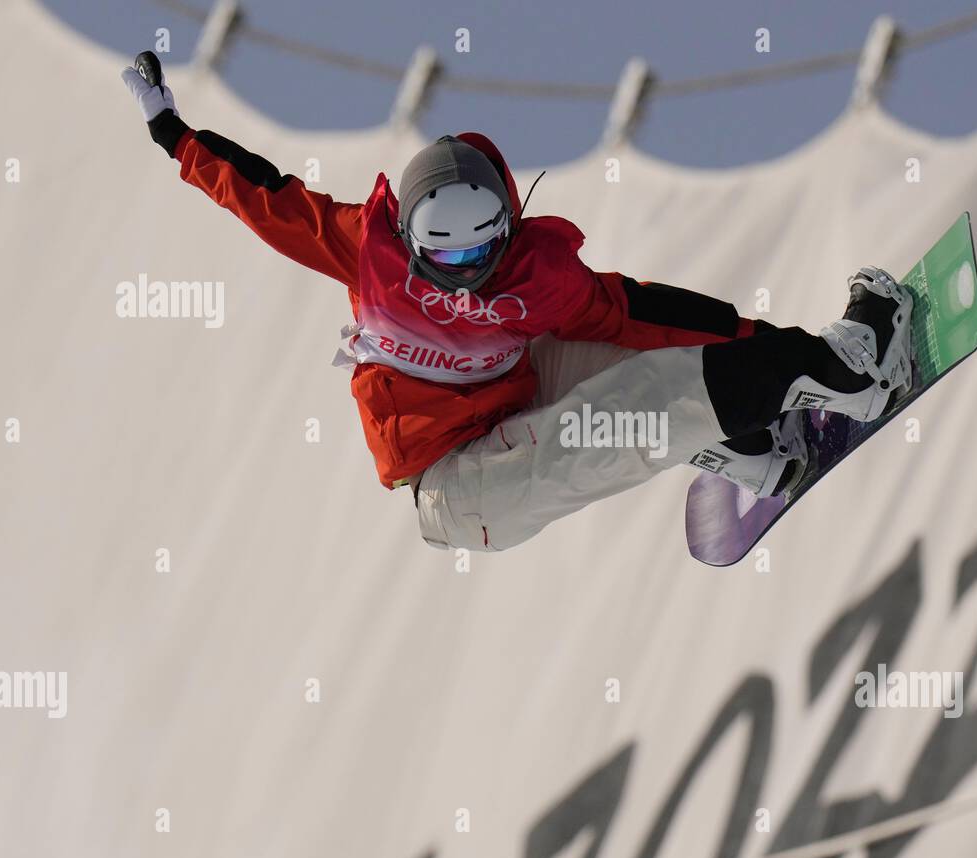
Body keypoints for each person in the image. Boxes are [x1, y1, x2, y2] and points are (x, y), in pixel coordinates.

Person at [121, 59, 912, 552]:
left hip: (512, 396)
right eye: (445, 255)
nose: (464, 277)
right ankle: (845, 372)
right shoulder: (371, 257)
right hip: (462, 487)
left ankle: (758, 446)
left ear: (508, 228)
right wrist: (173, 133)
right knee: (640, 409)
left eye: (481, 252)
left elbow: (645, 314)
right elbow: (265, 199)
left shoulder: (536, 279)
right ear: (408, 233)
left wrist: (768, 342)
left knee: (641, 358)